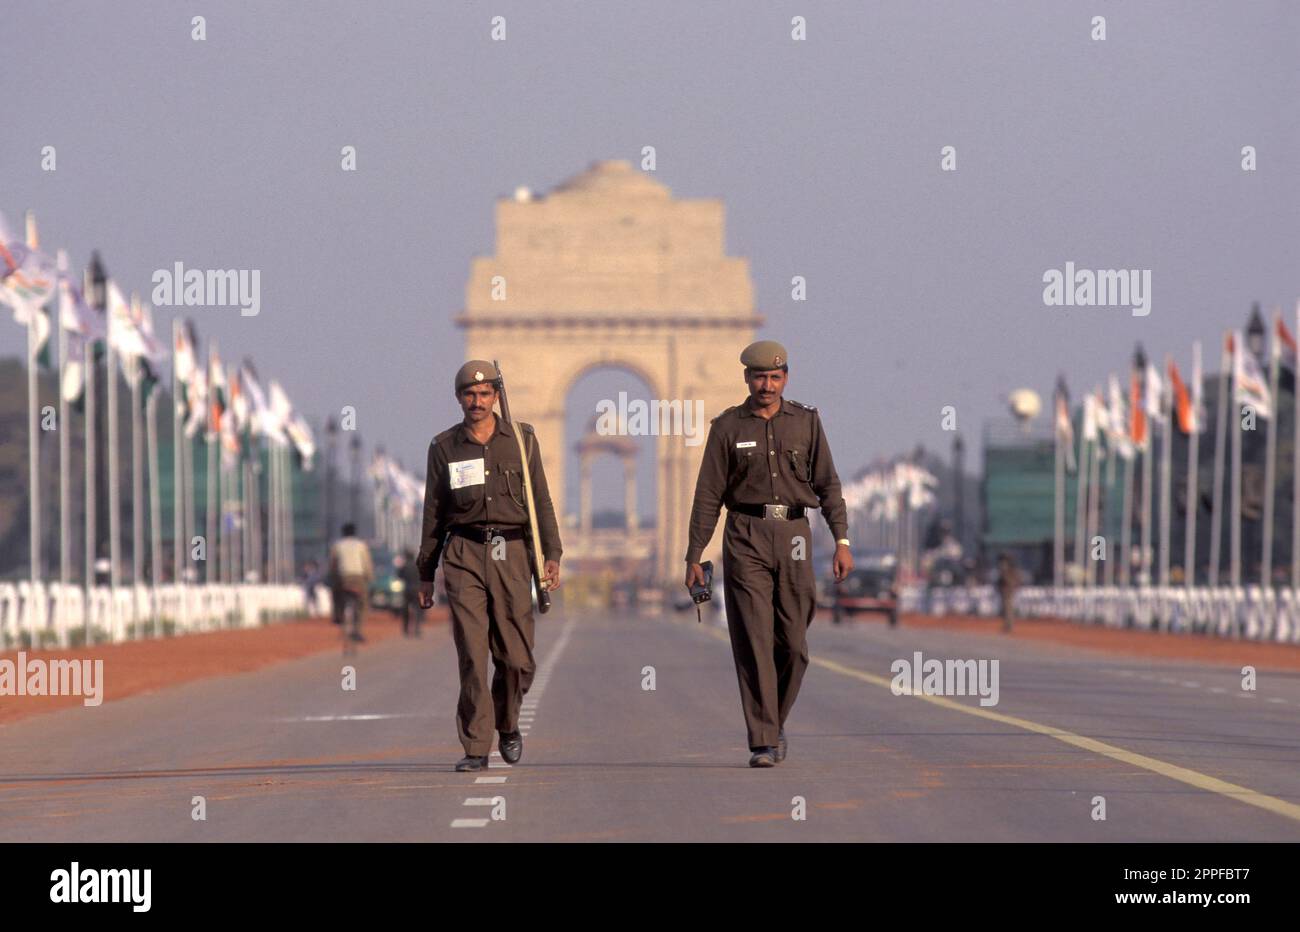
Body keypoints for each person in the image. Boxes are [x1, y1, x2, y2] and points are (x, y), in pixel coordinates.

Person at [685, 340, 852, 768]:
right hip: (745, 535)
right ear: (747, 378)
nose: (767, 385)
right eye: (760, 377)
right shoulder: (727, 428)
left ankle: (773, 720)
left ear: (786, 378)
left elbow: (829, 485)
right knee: (754, 639)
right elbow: (708, 495)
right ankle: (762, 739)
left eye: (775, 377)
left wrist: (842, 540)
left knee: (794, 645)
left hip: (795, 533)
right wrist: (694, 555)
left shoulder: (807, 423)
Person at [416, 360, 563, 773]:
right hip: (463, 553)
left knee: (516, 658)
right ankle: (476, 745)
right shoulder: (443, 447)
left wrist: (552, 553)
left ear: (496, 396)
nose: (476, 401)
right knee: (472, 653)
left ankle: (508, 722)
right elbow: (433, 512)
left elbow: (541, 501)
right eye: (469, 394)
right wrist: (425, 572)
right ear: (459, 397)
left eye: (484, 394)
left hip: (512, 552)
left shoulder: (522, 440)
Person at [329, 523, 373, 642]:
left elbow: (333, 565)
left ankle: (338, 616)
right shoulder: (361, 545)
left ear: (343, 533)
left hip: (342, 578)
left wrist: (332, 577)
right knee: (362, 603)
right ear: (355, 532)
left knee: (336, 596)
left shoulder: (337, 545)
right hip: (358, 578)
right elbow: (367, 564)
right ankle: (357, 630)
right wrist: (369, 577)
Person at [397, 549, 424, 636]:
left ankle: (406, 629)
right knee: (418, 610)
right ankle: (417, 628)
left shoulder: (404, 566)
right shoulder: (418, 565)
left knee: (405, 610)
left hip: (407, 590)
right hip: (417, 590)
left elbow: (399, 576)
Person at [996, 552, 1020, 633]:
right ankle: (1007, 625)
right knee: (1006, 609)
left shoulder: (1008, 570)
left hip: (1008, 591)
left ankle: (1009, 626)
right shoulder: (1007, 569)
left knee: (1008, 609)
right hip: (1005, 591)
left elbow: (1010, 581)